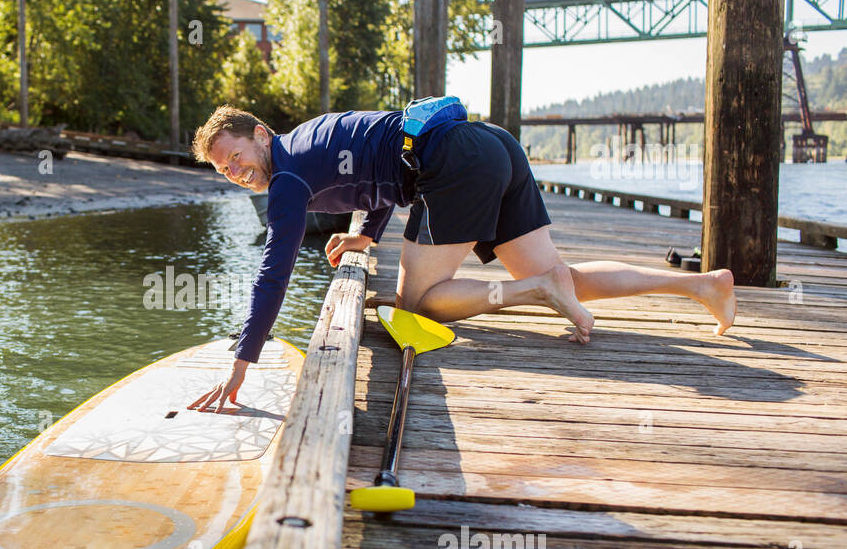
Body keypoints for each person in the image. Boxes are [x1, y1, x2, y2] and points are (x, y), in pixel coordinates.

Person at [186, 104, 736, 414]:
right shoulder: (308, 141)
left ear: (261, 135)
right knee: (564, 273)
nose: (237, 172)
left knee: (416, 304)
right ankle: (703, 286)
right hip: (491, 144)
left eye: (237, 157)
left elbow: (272, 273)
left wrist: (243, 358)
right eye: (226, 171)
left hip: (450, 164)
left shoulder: (286, 179)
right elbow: (373, 175)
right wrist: (367, 237)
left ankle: (537, 291)